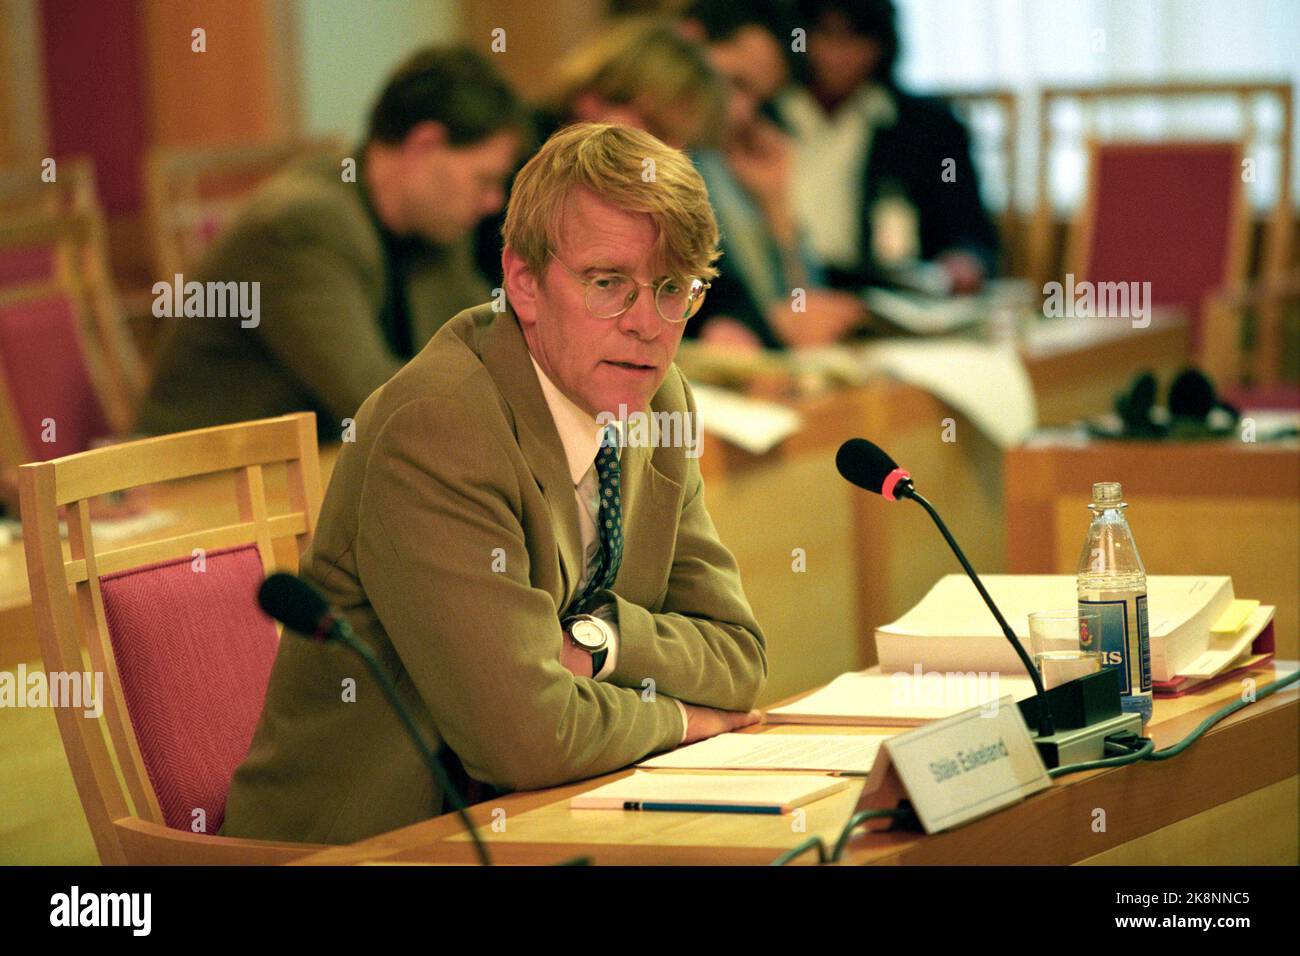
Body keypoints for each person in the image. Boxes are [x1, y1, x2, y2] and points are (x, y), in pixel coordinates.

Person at [220, 123, 768, 845]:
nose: (647, 325)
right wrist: (684, 721)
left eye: (673, 290)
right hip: (373, 850)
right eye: (608, 284)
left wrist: (599, 641)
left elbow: (738, 658)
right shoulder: (439, 428)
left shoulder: (659, 404)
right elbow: (525, 739)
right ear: (524, 283)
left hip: (551, 822)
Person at [137, 45, 528, 439]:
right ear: (425, 145)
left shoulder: (435, 226)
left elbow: (486, 355)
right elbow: (374, 402)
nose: (494, 200)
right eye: (484, 179)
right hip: (200, 482)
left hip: (310, 472)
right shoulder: (299, 227)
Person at [681, 0, 869, 350]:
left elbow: (803, 309)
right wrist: (773, 326)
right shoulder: (669, 156)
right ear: (686, 44)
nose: (742, 113)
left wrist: (777, 208)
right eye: (734, 83)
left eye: (760, 97)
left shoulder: (731, 160)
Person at [777, 0, 999, 294]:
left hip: (887, 297)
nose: (839, 54)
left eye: (855, 38)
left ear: (881, 44)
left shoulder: (928, 126)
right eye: (826, 35)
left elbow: (971, 232)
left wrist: (965, 261)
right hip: (786, 295)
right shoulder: (767, 117)